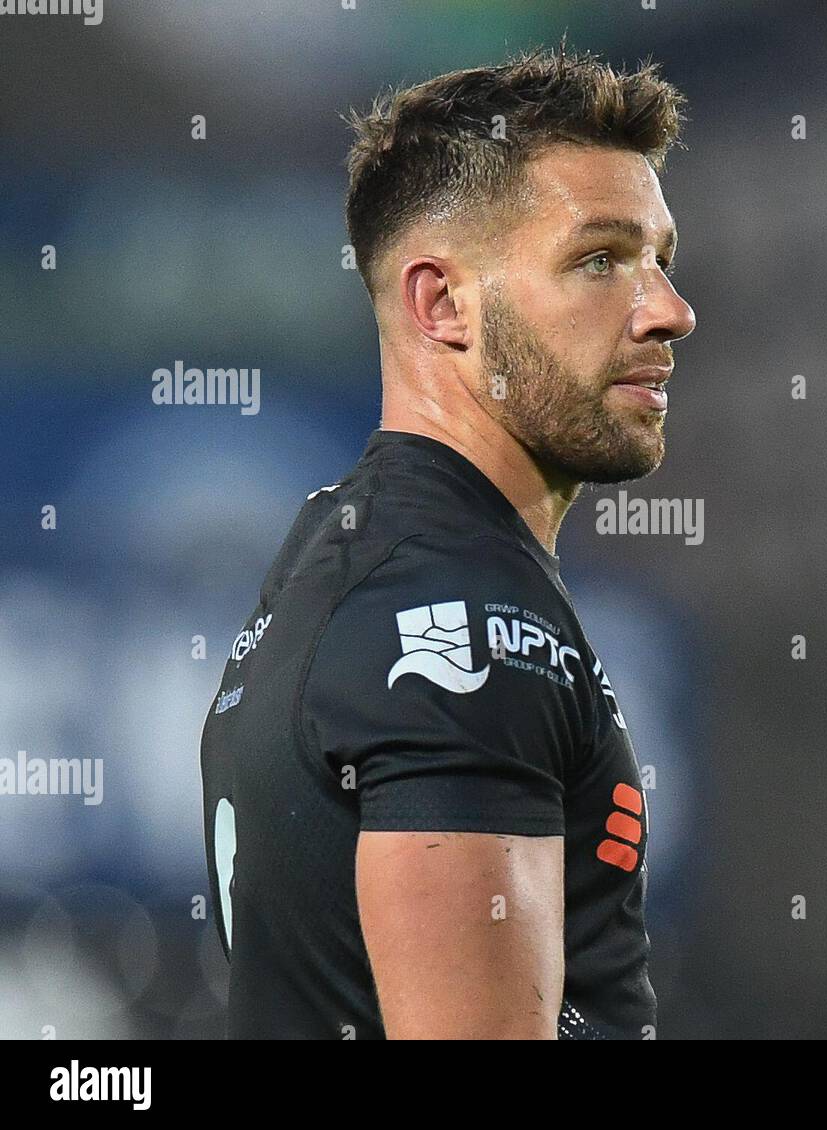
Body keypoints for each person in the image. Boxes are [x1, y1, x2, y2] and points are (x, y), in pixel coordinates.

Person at [199, 43, 696, 1039]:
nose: (669, 313)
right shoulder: (466, 625)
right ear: (442, 304)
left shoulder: (350, 551)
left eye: (660, 261)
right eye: (600, 259)